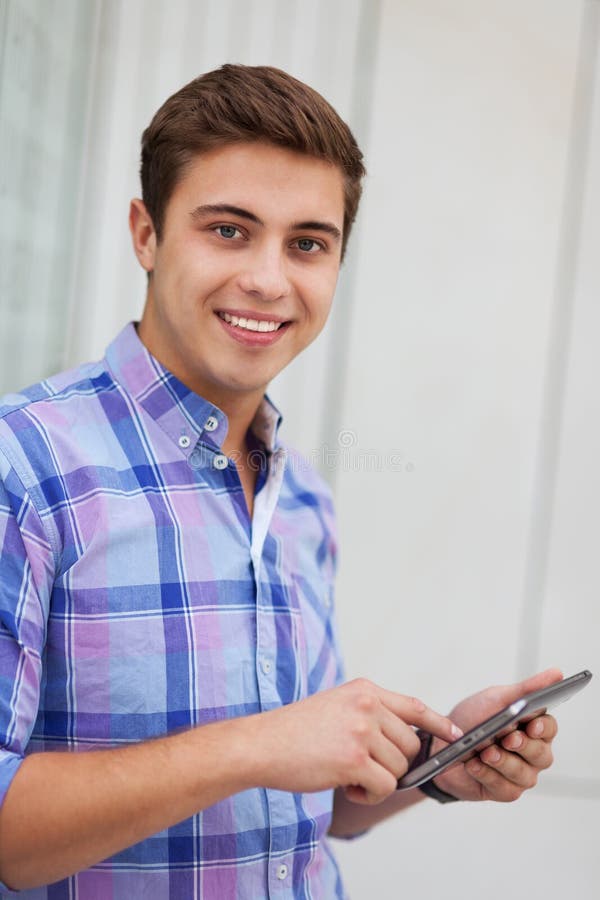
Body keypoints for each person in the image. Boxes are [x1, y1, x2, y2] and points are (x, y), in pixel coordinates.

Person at [0, 64, 560, 898]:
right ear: (145, 234)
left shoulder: (302, 502)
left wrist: (433, 767)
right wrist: (257, 742)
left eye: (307, 243)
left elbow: (299, 799)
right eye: (228, 230)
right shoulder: (25, 466)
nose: (269, 279)